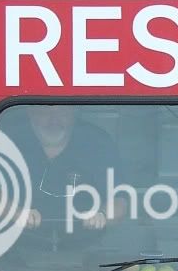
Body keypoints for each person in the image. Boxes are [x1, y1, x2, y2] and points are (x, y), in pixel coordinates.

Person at [16, 104, 127, 245]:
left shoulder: (97, 143)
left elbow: (120, 199)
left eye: (62, 112)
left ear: (74, 113)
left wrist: (102, 215)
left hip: (88, 249)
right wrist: (14, 211)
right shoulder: (14, 139)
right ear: (30, 111)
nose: (54, 120)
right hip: (17, 249)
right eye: (45, 111)